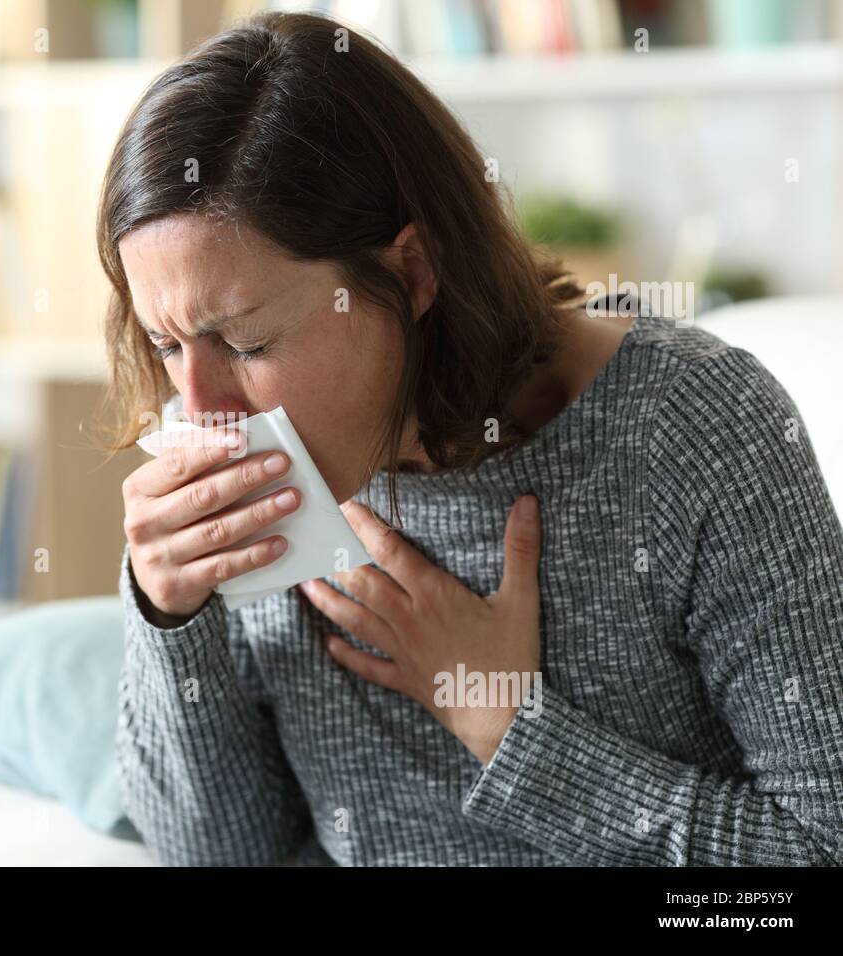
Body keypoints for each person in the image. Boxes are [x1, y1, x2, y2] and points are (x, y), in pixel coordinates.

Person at [95, 10, 843, 866]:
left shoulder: (691, 426)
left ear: (412, 272)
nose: (201, 409)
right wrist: (166, 613)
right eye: (165, 344)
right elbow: (217, 852)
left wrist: (509, 729)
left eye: (248, 343)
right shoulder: (245, 484)